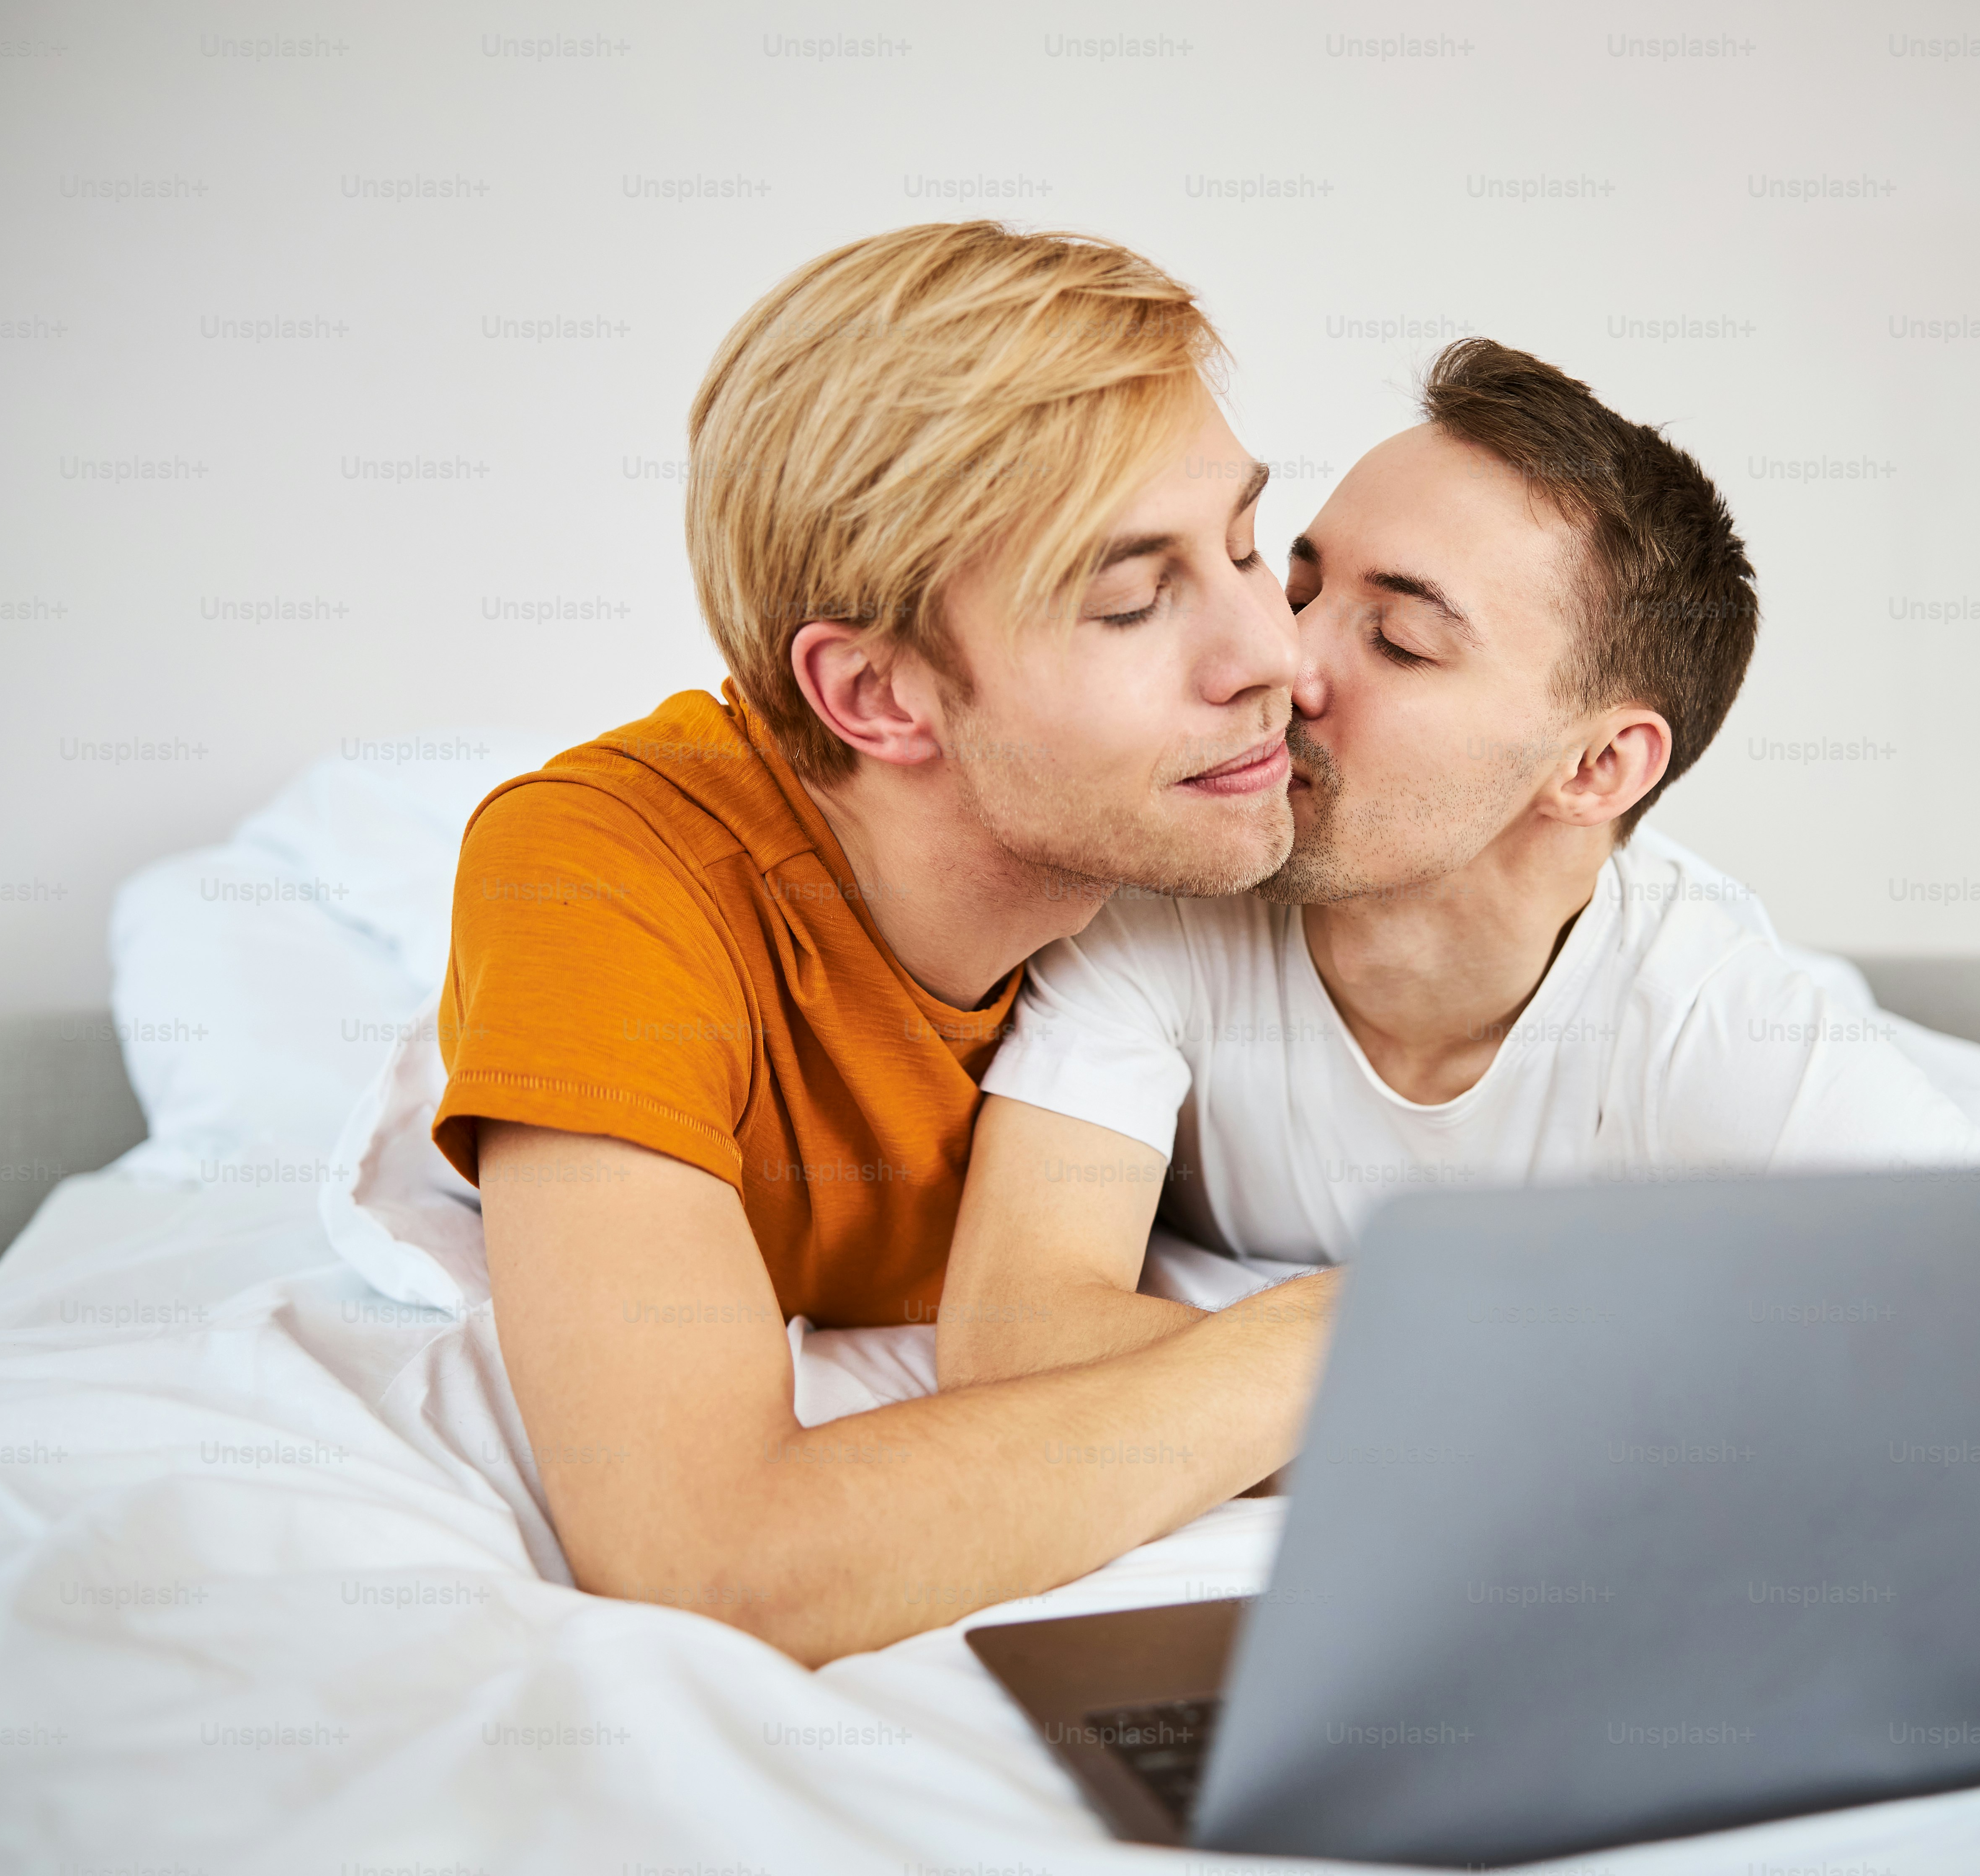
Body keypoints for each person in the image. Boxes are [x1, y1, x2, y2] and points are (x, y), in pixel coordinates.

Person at [432, 222, 1337, 1665]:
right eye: (1131, 598)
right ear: (876, 693)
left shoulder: (1212, 832)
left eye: (1244, 548)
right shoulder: (602, 875)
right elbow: (710, 1564)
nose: (1278, 661)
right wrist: (1336, 1343)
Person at [935, 340, 1980, 1390]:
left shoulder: (1715, 1020)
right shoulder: (1168, 892)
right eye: (1299, 588)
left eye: (1399, 640)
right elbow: (1015, 1345)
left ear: (1597, 766)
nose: (1283, 658)